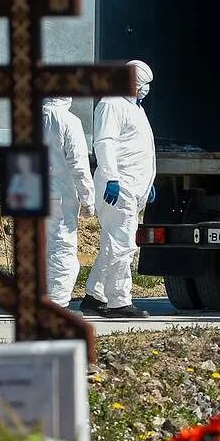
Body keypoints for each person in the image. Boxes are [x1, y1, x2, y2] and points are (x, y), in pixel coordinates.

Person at [83, 60, 156, 319]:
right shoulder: (112, 104)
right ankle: (119, 302)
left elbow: (137, 149)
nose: (146, 90)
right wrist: (112, 178)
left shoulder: (134, 107)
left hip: (133, 185)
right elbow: (104, 143)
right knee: (122, 245)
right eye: (144, 85)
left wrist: (148, 182)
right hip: (119, 186)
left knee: (113, 243)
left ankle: (94, 296)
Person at [42, 97, 95, 307]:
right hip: (60, 195)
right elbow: (79, 164)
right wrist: (88, 198)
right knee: (62, 248)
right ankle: (57, 302)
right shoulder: (68, 121)